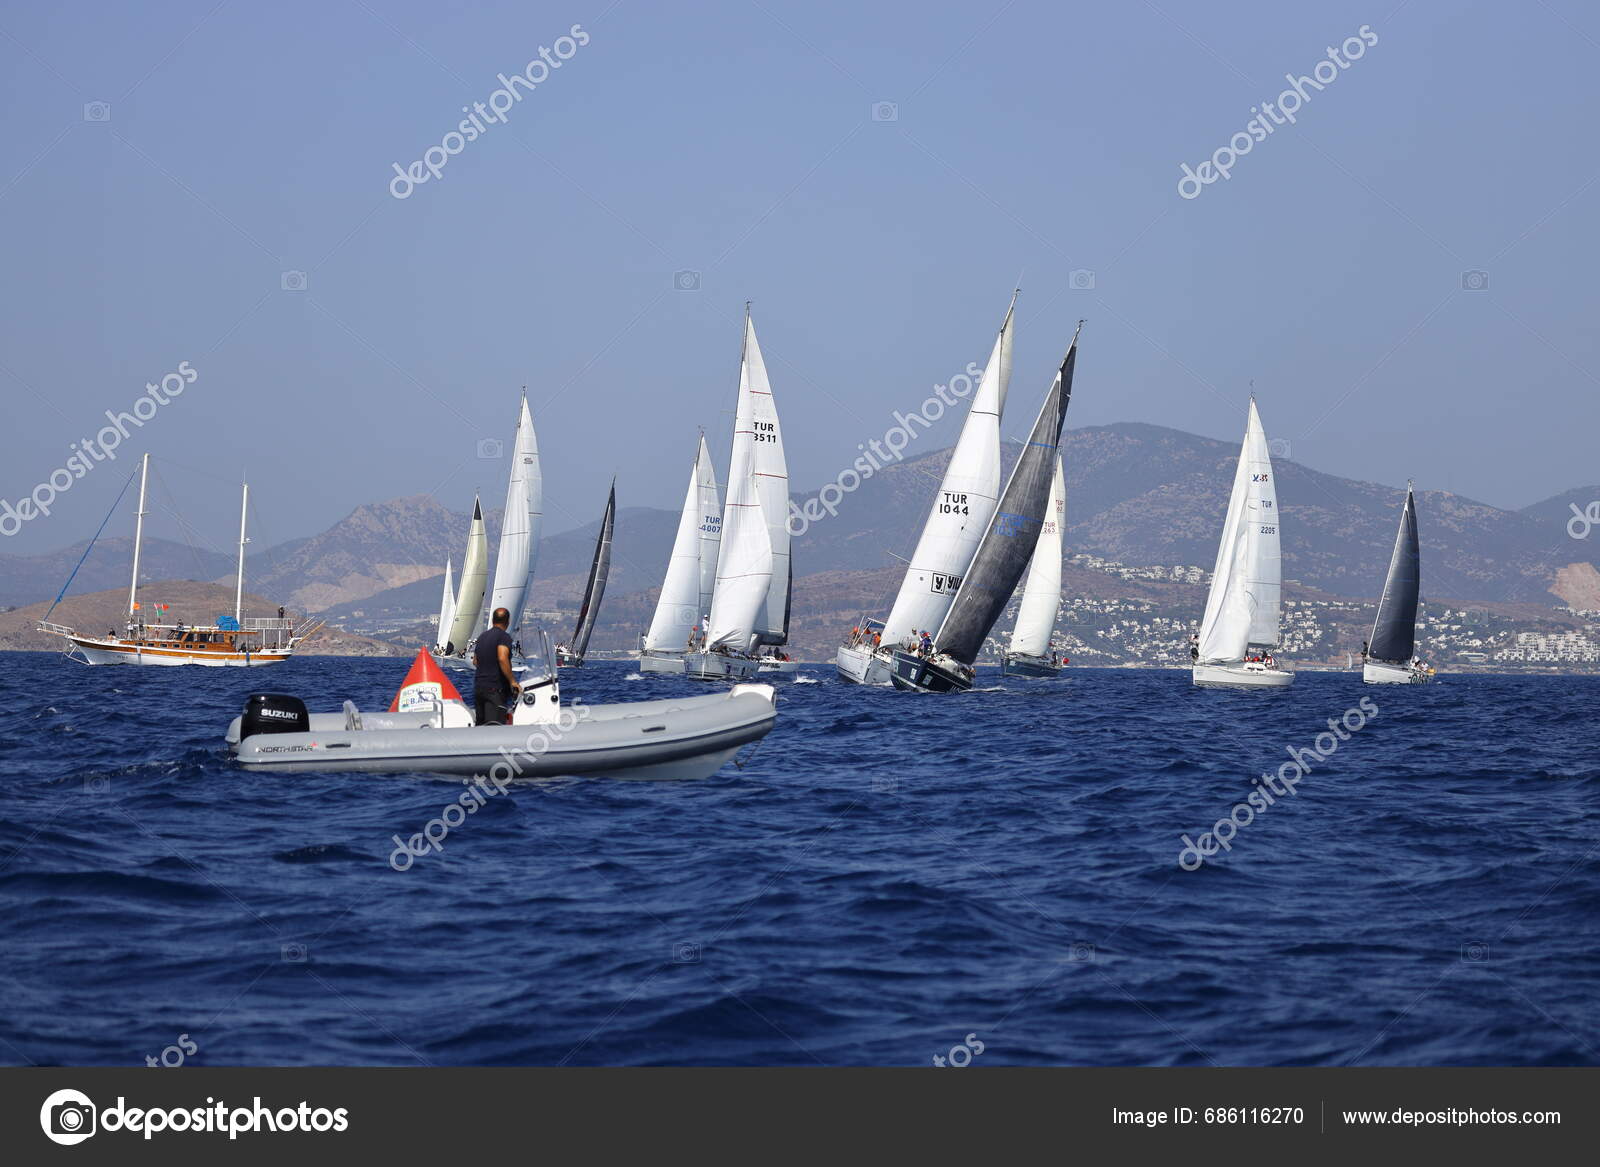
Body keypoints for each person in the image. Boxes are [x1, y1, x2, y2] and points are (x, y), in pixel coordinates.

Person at [473, 607, 521, 727]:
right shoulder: (504, 637)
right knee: (494, 728)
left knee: (481, 726)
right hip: (495, 690)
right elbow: (502, 657)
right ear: (508, 621)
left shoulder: (482, 637)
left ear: (493, 620)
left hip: (479, 688)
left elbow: (475, 661)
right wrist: (513, 681)